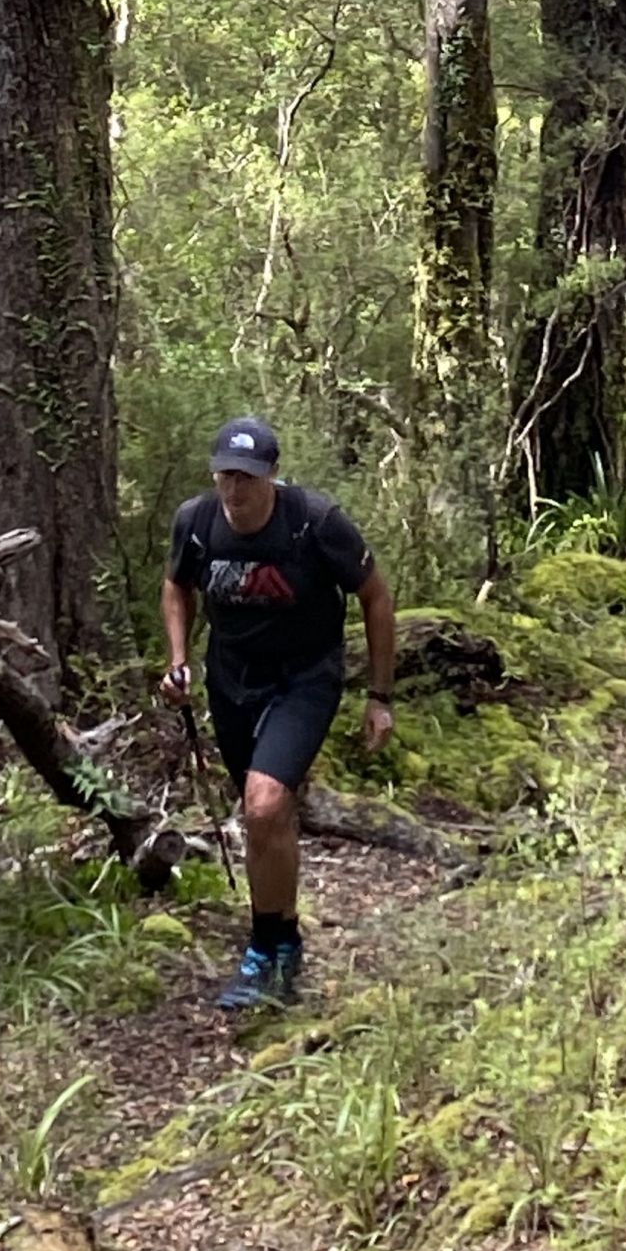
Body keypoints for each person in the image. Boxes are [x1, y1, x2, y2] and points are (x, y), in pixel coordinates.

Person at [161, 415, 397, 1009]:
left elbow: (376, 596)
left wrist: (379, 695)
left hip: (305, 678)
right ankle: (285, 936)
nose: (234, 492)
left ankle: (264, 948)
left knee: (264, 804)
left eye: (247, 478)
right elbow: (176, 587)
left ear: (270, 477)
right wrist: (178, 659)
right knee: (266, 815)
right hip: (232, 680)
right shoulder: (196, 523)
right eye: (225, 477)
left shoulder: (314, 523)